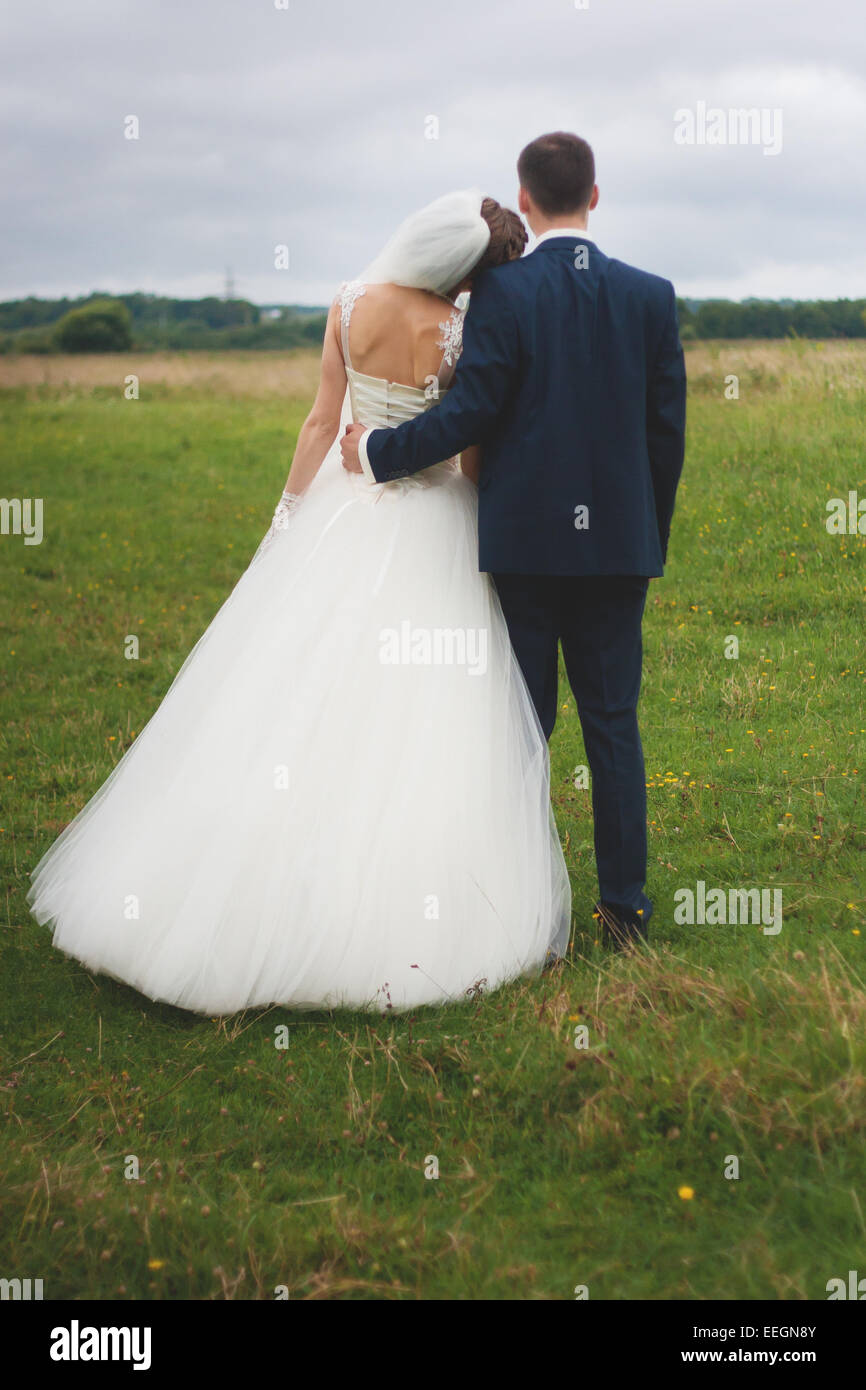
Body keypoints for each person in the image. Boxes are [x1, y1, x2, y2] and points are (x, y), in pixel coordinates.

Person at [28, 191, 571, 1014]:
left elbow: (322, 421)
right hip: (430, 517)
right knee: (428, 705)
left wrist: (288, 515)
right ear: (464, 270)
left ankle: (229, 885)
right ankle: (413, 894)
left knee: (286, 684)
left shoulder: (349, 302)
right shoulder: (456, 330)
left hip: (340, 509)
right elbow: (463, 452)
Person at [342, 133, 687, 948]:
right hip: (617, 553)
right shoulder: (650, 295)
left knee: (523, 728)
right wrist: (647, 534)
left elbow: (472, 415)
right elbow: (664, 434)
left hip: (523, 549)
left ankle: (522, 910)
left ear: (524, 201)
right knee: (613, 725)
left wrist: (375, 451)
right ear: (595, 197)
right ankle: (625, 911)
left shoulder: (504, 292)